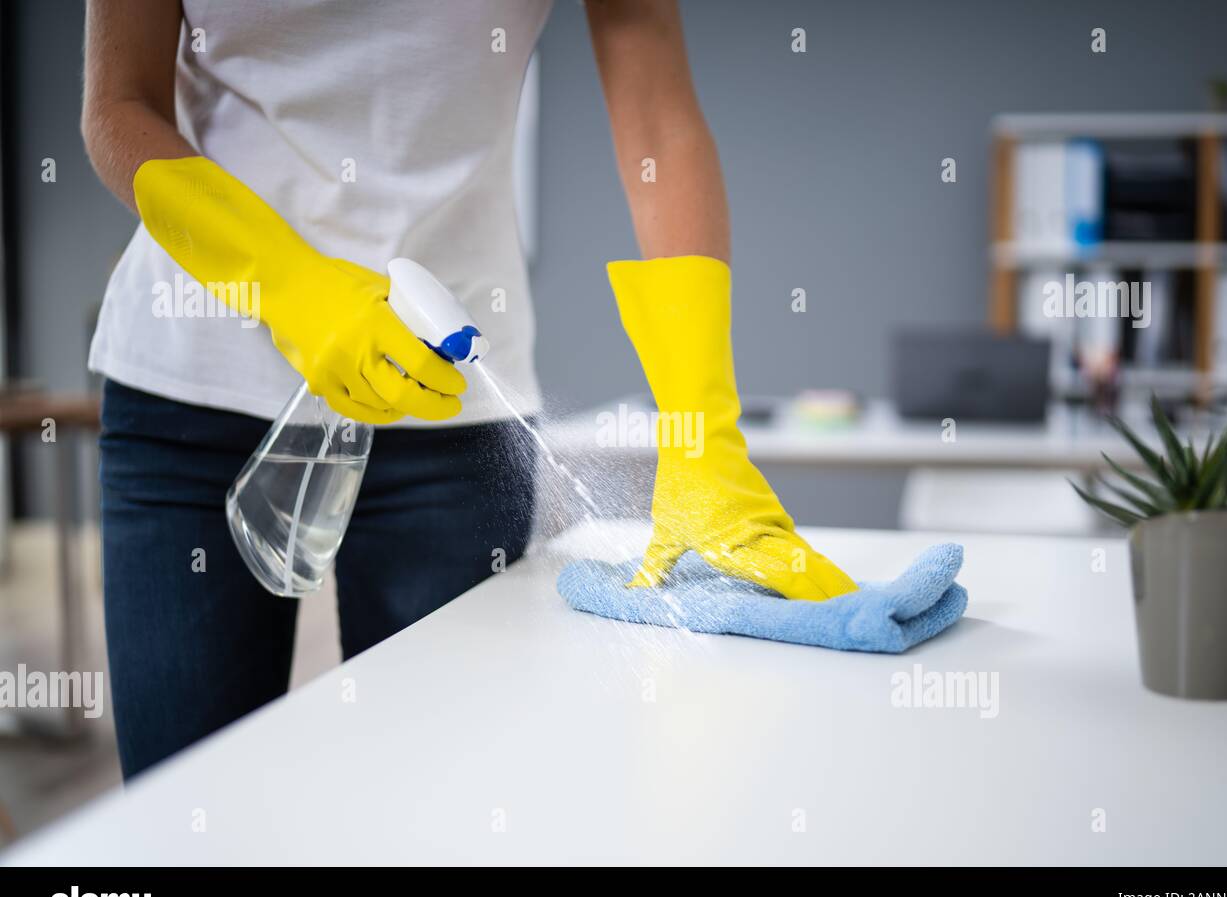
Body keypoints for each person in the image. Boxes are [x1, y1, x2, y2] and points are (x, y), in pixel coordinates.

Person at [82, 0, 856, 779]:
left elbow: (655, 107)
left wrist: (702, 428)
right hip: (192, 389)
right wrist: (290, 287)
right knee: (189, 808)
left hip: (453, 416)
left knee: (437, 800)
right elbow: (118, 106)